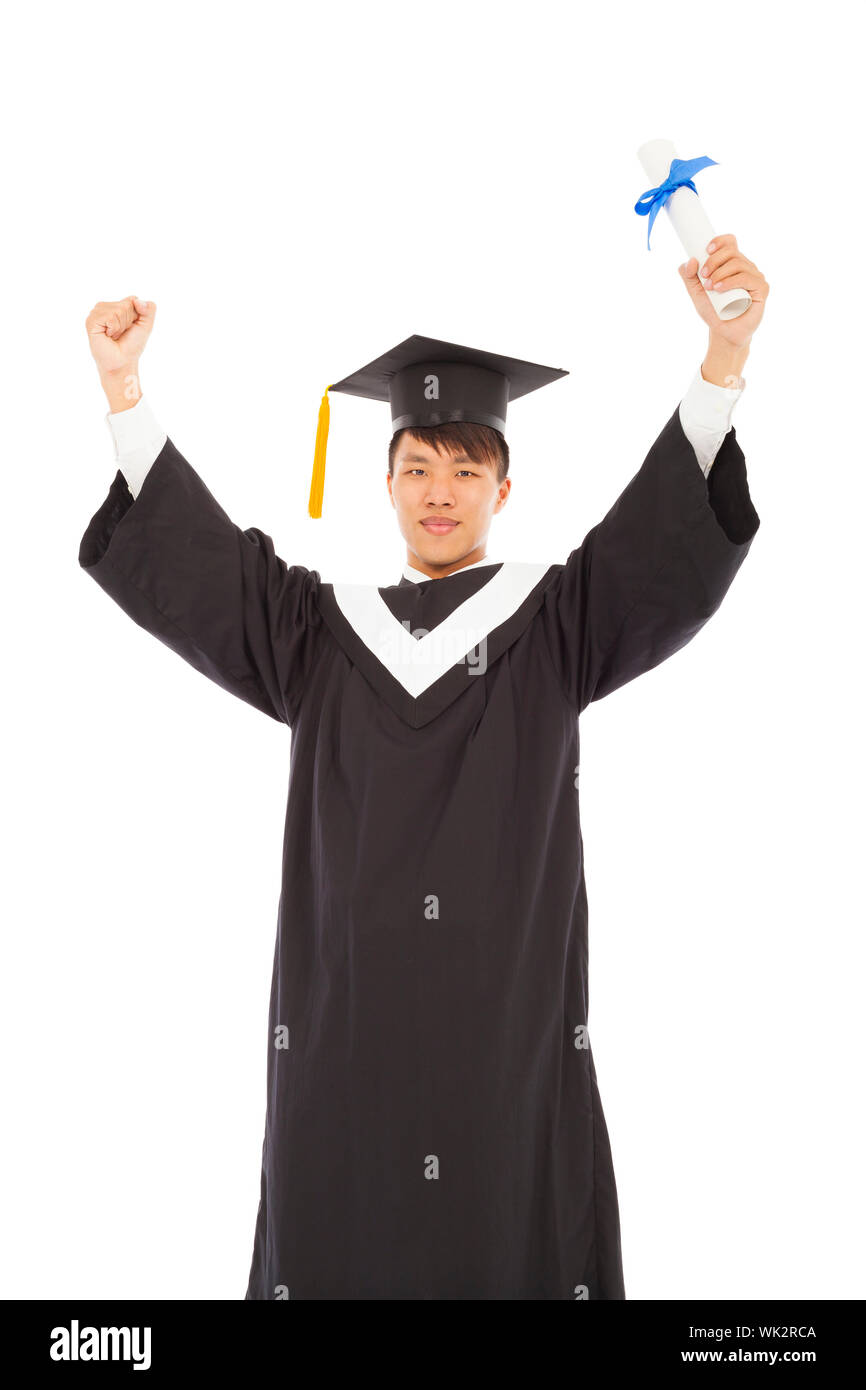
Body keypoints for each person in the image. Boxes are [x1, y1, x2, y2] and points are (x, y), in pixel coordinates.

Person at [78, 237, 768, 1299]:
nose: (437, 492)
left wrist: (721, 354)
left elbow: (654, 545)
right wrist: (125, 389)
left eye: (463, 468)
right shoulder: (314, 631)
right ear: (385, 482)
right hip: (342, 1043)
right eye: (415, 467)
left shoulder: (556, 620)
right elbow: (205, 565)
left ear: (502, 486)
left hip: (505, 1047)